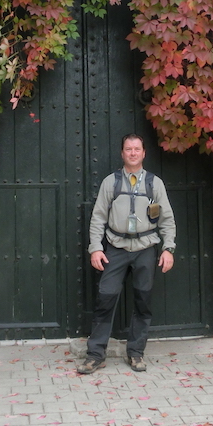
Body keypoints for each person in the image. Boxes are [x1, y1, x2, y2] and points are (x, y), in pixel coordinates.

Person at [78, 134, 176, 374]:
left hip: (145, 249)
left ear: (144, 153)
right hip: (116, 249)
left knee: (143, 302)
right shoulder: (111, 182)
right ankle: (95, 355)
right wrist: (96, 248)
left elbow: (167, 220)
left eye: (137, 149)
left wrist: (168, 248)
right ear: (122, 153)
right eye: (128, 149)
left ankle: (136, 353)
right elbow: (98, 218)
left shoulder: (155, 184)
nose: (133, 153)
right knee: (105, 299)